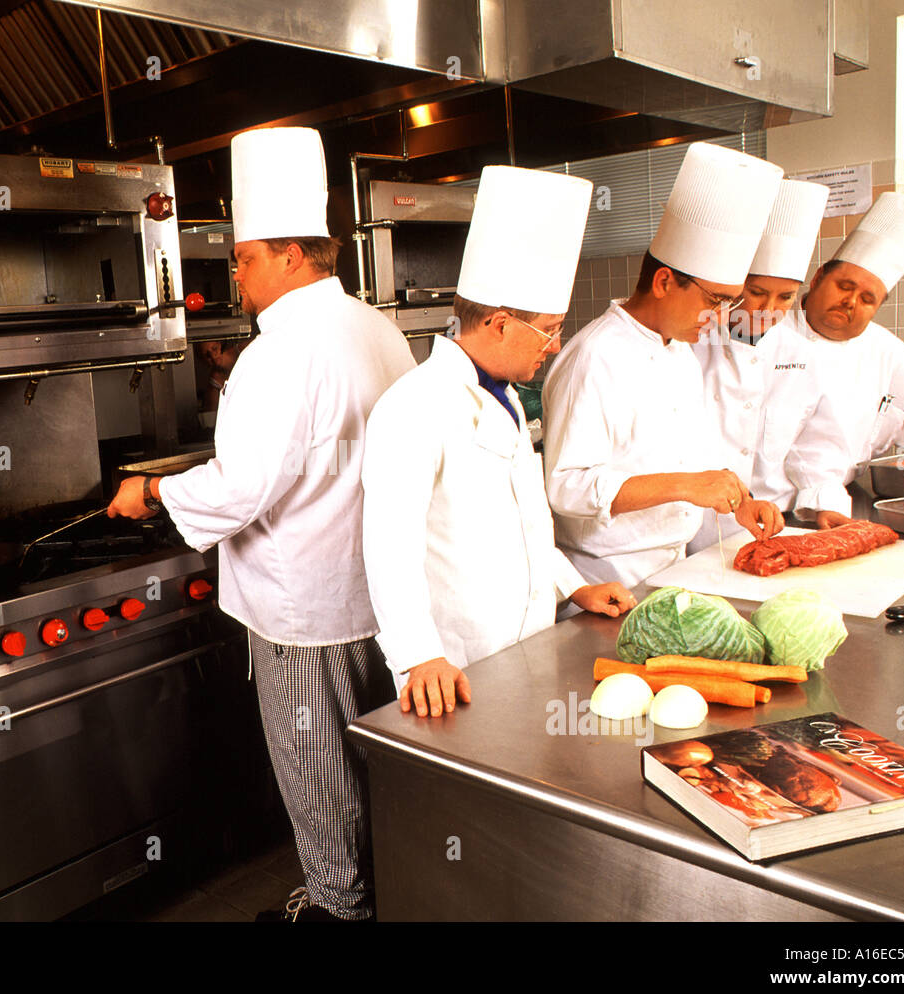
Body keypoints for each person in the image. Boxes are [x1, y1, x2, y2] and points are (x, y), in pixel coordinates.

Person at [107, 127, 415, 923]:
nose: (236, 277)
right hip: (381, 598)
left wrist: (153, 494)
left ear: (288, 254)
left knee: (319, 770)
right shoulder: (377, 329)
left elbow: (245, 486)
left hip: (303, 607)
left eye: (242, 258)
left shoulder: (280, 350)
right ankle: (387, 892)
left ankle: (337, 909)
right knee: (377, 763)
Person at [361, 166, 635, 720]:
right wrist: (419, 655)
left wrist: (572, 585)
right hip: (455, 668)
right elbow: (389, 542)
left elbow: (523, 523)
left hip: (526, 651)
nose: (556, 347)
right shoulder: (414, 405)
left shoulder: (506, 398)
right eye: (549, 330)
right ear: (502, 323)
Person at [542, 142, 786, 588]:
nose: (722, 316)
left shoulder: (680, 352)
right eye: (714, 300)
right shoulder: (594, 357)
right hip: (611, 578)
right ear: (663, 281)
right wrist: (685, 485)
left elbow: (697, 458)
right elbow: (567, 486)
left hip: (677, 569)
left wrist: (741, 500)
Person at [768, 193, 904, 527]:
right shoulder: (764, 333)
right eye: (844, 286)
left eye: (868, 299)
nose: (851, 301)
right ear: (818, 278)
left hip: (840, 509)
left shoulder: (891, 354)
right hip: (760, 508)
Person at [689, 178, 844, 552]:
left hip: (774, 526)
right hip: (690, 529)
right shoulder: (691, 343)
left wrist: (824, 501)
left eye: (785, 296)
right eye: (756, 293)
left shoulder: (800, 353)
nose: (768, 308)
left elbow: (815, 445)